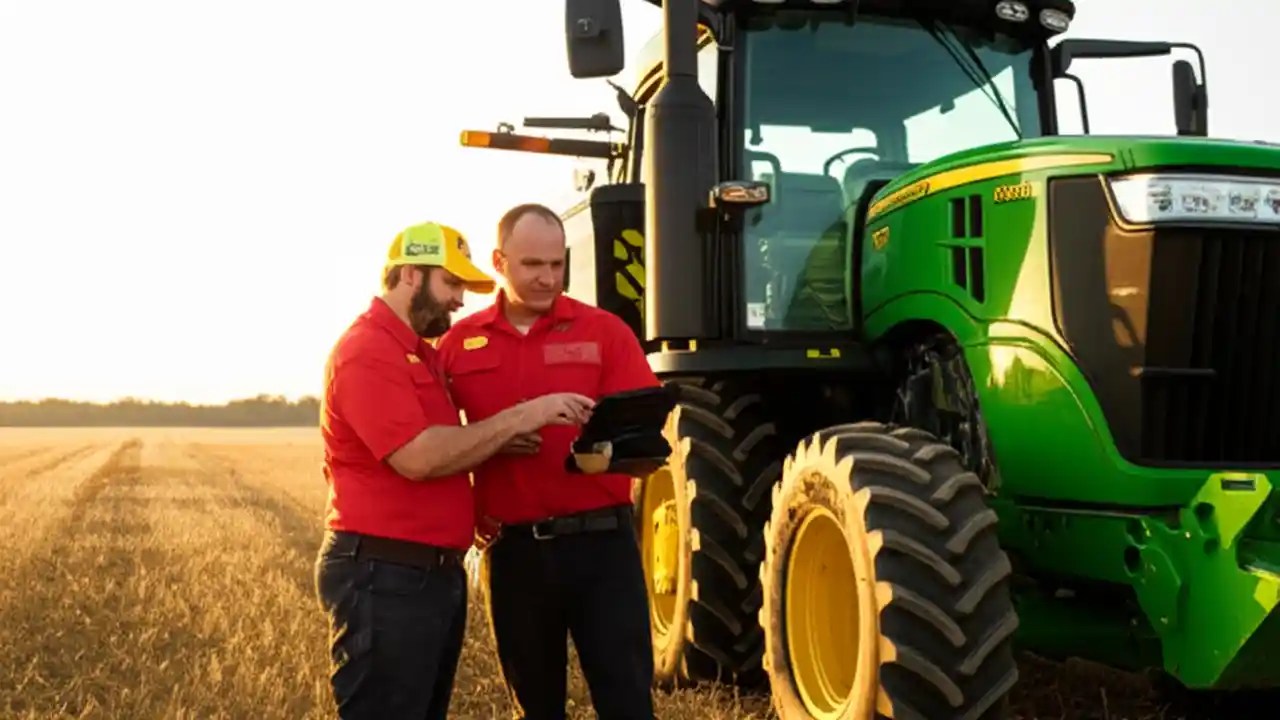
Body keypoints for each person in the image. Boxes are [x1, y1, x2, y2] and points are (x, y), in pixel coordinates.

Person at [315, 219, 595, 720]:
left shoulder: (419, 355)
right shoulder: (367, 351)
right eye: (451, 283)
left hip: (425, 576)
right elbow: (419, 457)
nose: (460, 300)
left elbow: (449, 447)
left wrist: (500, 444)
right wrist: (522, 416)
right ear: (408, 277)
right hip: (385, 575)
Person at [436, 204, 661, 720]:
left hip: (603, 550)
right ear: (498, 261)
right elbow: (434, 442)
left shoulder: (605, 332)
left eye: (557, 264)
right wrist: (492, 438)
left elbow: (646, 437)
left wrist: (599, 451)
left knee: (628, 703)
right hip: (513, 554)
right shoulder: (457, 346)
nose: (548, 278)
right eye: (533, 264)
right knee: (534, 707)